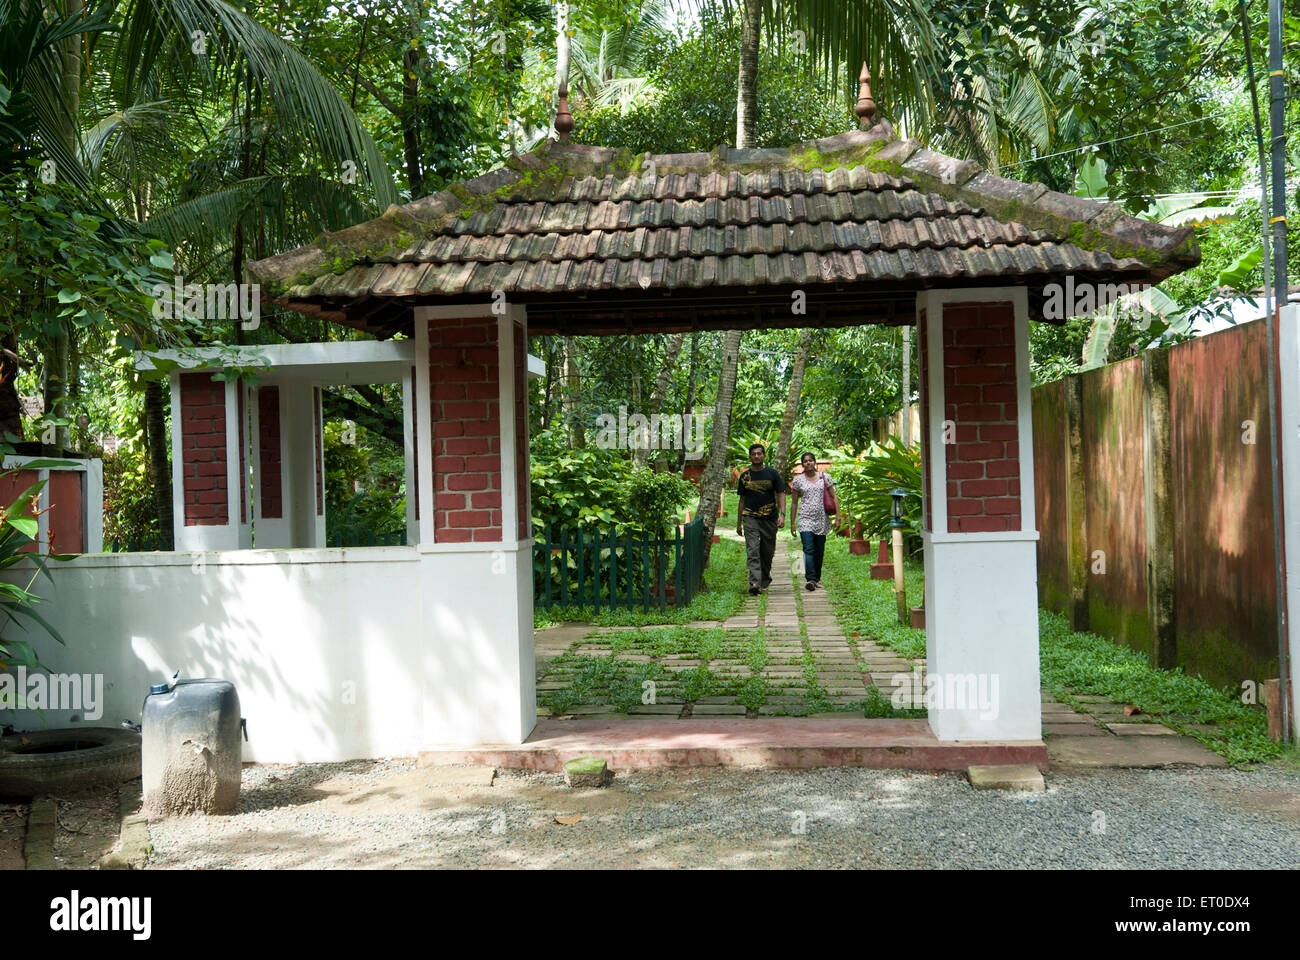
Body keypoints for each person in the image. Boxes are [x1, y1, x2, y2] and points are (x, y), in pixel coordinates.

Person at [735, 443, 786, 595]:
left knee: (767, 551)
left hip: (769, 518)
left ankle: (764, 579)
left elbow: (781, 493)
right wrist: (738, 523)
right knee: (753, 550)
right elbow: (742, 500)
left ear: (764, 456)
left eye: (759, 454)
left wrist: (782, 515)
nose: (756, 456)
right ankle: (755, 583)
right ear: (750, 456)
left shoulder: (772, 474)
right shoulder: (745, 477)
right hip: (750, 517)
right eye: (753, 454)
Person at [788, 452, 833, 591]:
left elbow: (833, 497)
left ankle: (817, 578)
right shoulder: (798, 481)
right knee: (808, 549)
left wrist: (837, 517)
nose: (808, 463)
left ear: (815, 462)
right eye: (805, 461)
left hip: (821, 519)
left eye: (810, 460)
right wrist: (792, 522)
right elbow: (794, 502)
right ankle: (811, 580)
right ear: (802, 464)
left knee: (819, 550)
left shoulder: (825, 478)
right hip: (805, 519)